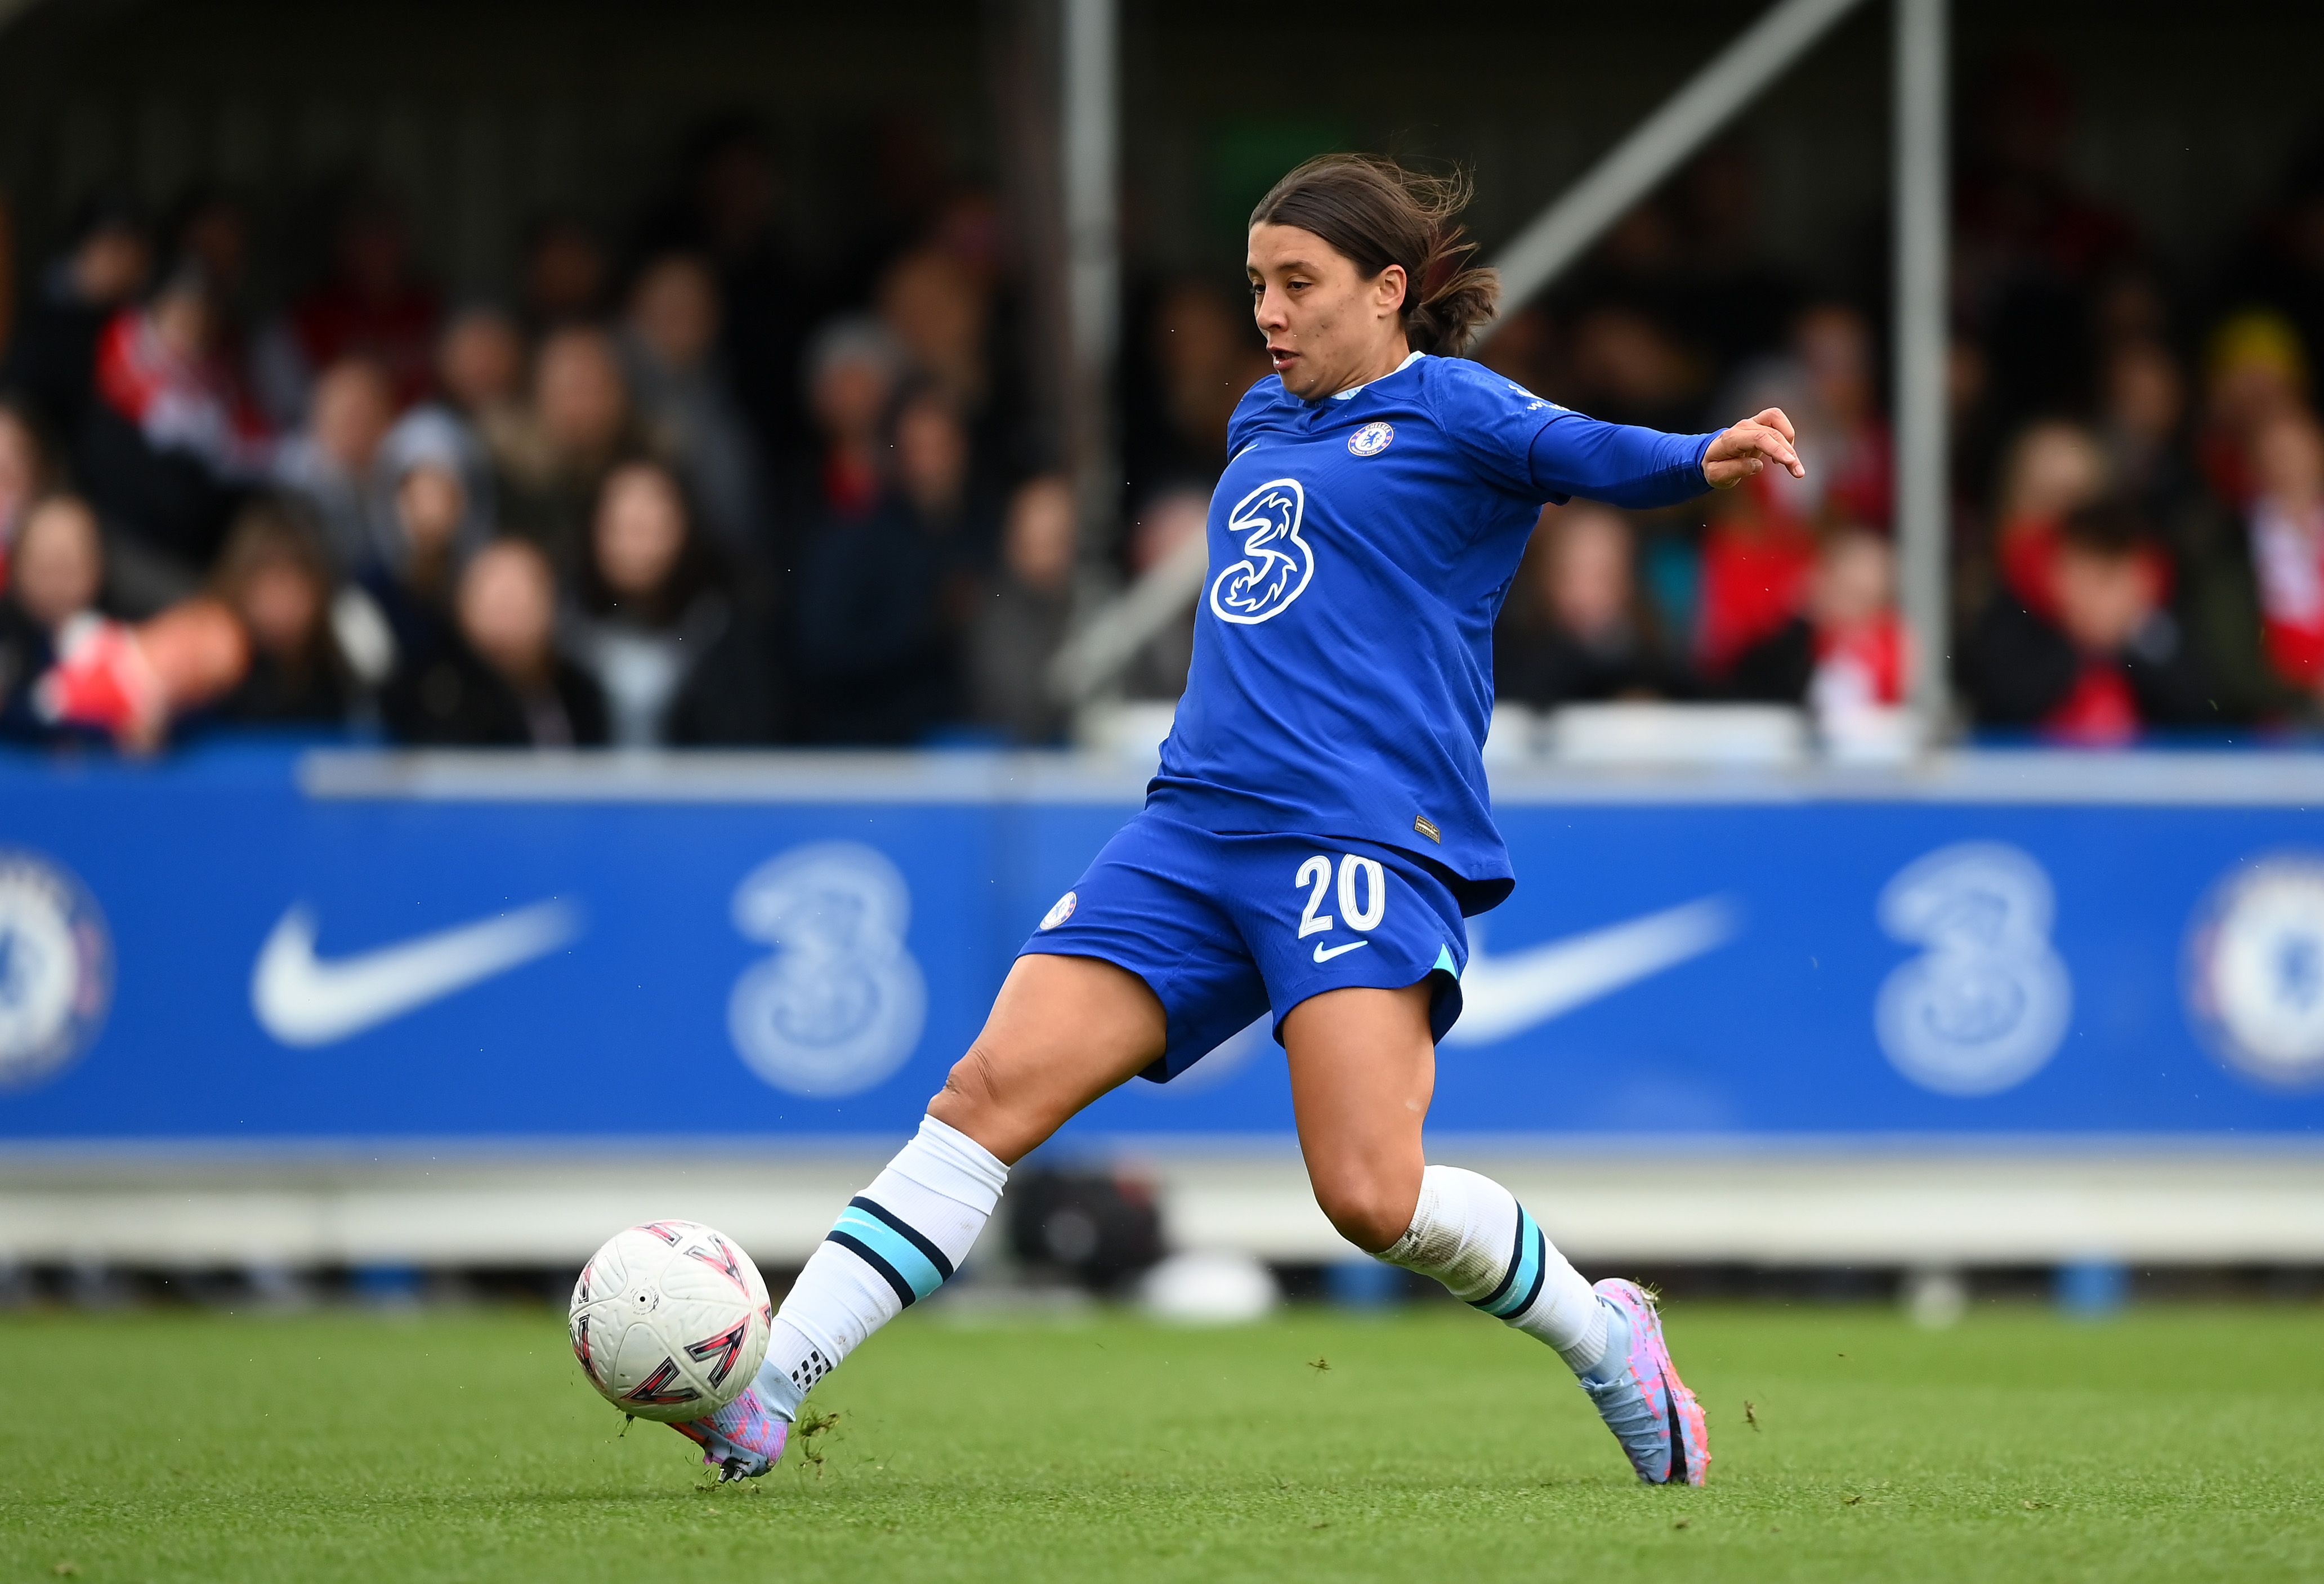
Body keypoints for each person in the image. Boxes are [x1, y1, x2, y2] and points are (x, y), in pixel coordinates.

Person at [666, 154, 1804, 1489]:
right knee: (983, 1094)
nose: (1268, 311)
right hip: (1192, 827)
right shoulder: (1260, 422)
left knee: (1369, 1191)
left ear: (1387, 291)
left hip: (1362, 838)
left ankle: (1601, 1328)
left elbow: (1578, 448)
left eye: (1298, 284)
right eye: (1257, 283)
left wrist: (1694, 456)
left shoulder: (1450, 403)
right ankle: (766, 1392)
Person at [383, 538, 606, 748]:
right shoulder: (437, 695)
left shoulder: (579, 694)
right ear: (462, 608)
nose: (505, 620)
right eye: (496, 602)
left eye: (518, 602)